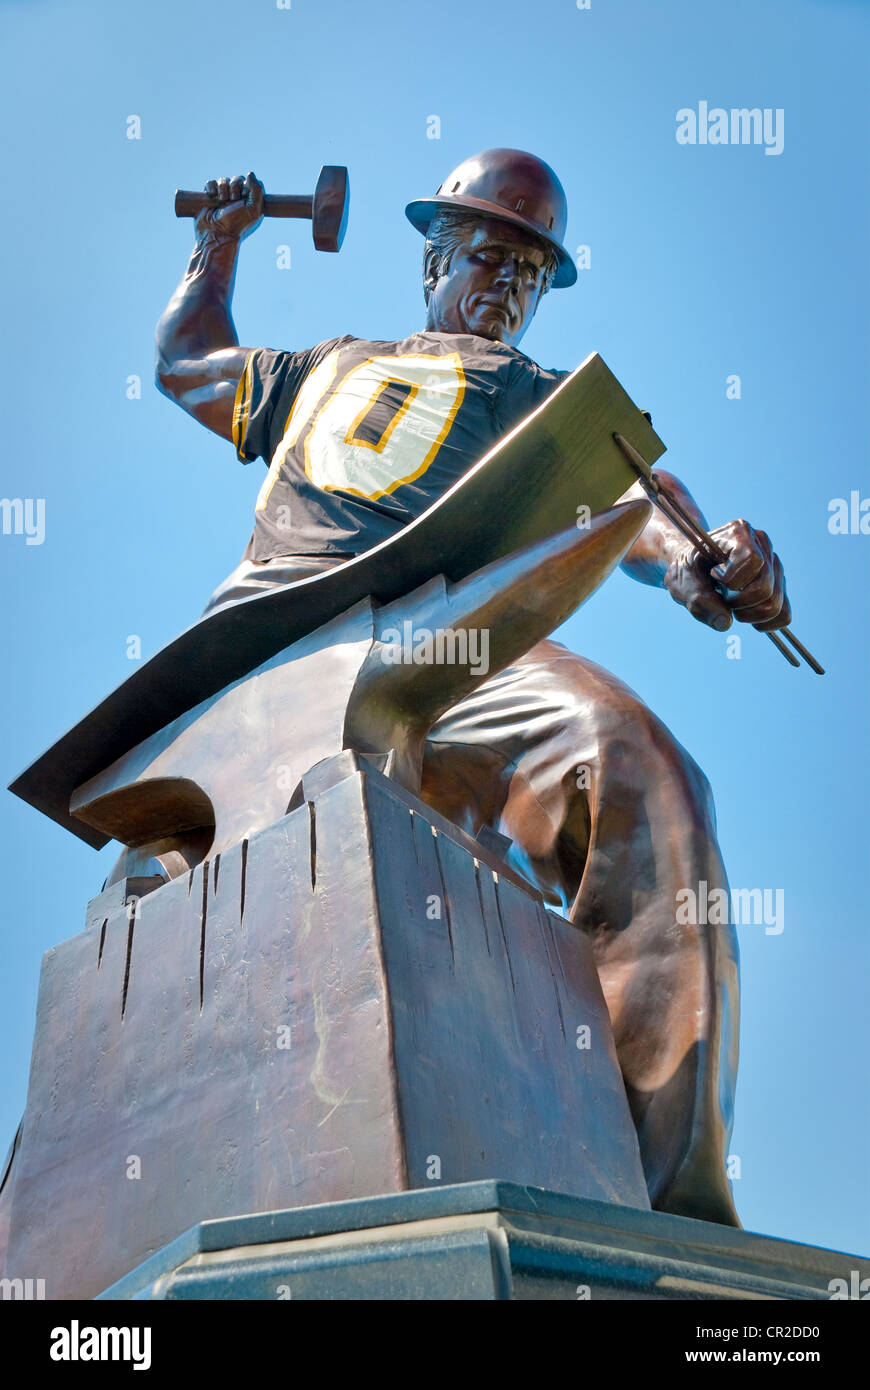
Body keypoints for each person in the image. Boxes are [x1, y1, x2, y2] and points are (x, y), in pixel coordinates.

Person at [155, 150, 792, 1227]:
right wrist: (215, 250)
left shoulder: (545, 405)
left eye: (530, 272)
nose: (506, 283)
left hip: (439, 652)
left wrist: (705, 559)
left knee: (628, 756)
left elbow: (646, 508)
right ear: (434, 263)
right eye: (489, 254)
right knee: (169, 897)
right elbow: (187, 363)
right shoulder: (324, 368)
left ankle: (674, 1219)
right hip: (268, 654)